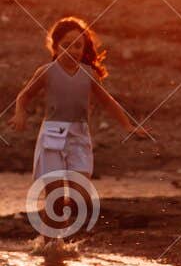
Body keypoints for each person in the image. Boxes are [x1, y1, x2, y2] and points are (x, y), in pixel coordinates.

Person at [11, 16, 153, 240]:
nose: (72, 50)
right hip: (52, 136)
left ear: (84, 47)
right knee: (56, 198)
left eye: (78, 45)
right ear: (55, 46)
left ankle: (51, 231)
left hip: (79, 137)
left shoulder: (89, 74)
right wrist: (20, 113)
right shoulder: (46, 71)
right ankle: (50, 245)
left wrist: (127, 126)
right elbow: (24, 96)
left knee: (79, 195)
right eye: (66, 45)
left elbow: (108, 102)